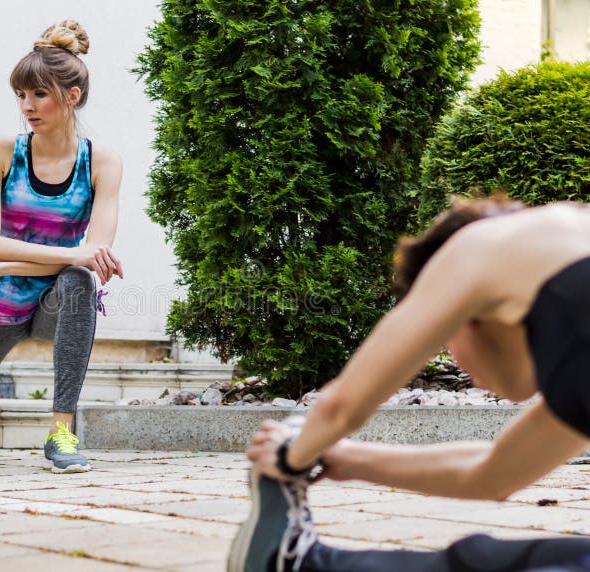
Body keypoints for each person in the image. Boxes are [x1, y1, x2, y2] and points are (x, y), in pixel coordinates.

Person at [230, 196, 590, 571]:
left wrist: (288, 458)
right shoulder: (575, 360)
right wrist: (344, 458)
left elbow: (342, 408)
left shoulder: (483, 245)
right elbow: (493, 474)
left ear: (463, 311)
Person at [0, 20, 124, 474]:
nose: (27, 106)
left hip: (51, 300)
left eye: (39, 94)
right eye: (21, 95)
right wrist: (71, 254)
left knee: (78, 282)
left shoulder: (102, 161)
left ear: (71, 96)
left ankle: (60, 431)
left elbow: (91, 255)